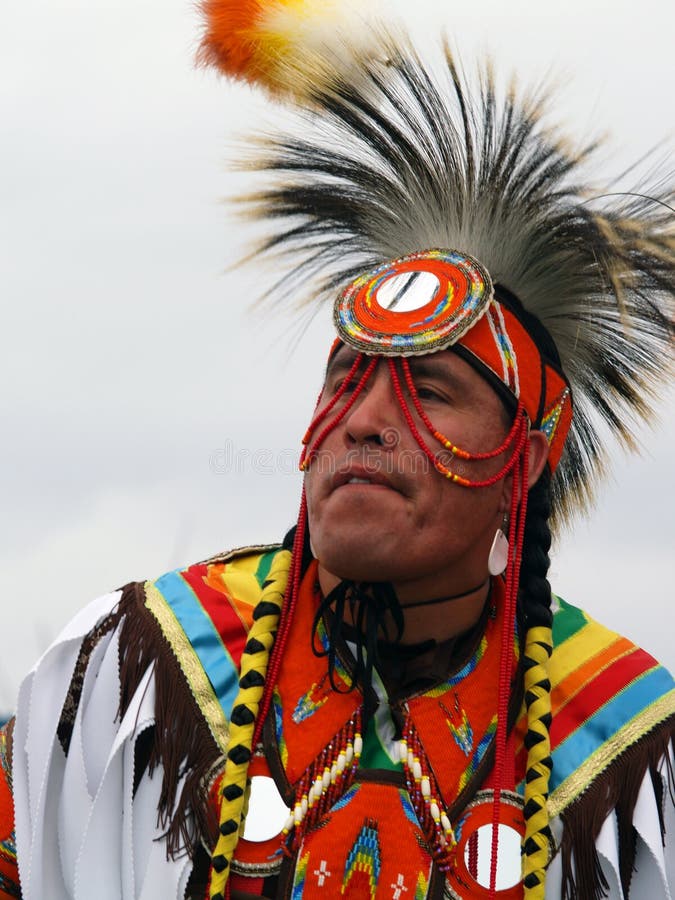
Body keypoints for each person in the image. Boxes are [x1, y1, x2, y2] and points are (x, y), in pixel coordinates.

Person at [1, 3, 674, 899]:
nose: (363, 420)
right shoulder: (136, 673)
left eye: (430, 389)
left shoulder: (625, 747)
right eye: (345, 380)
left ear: (526, 458)